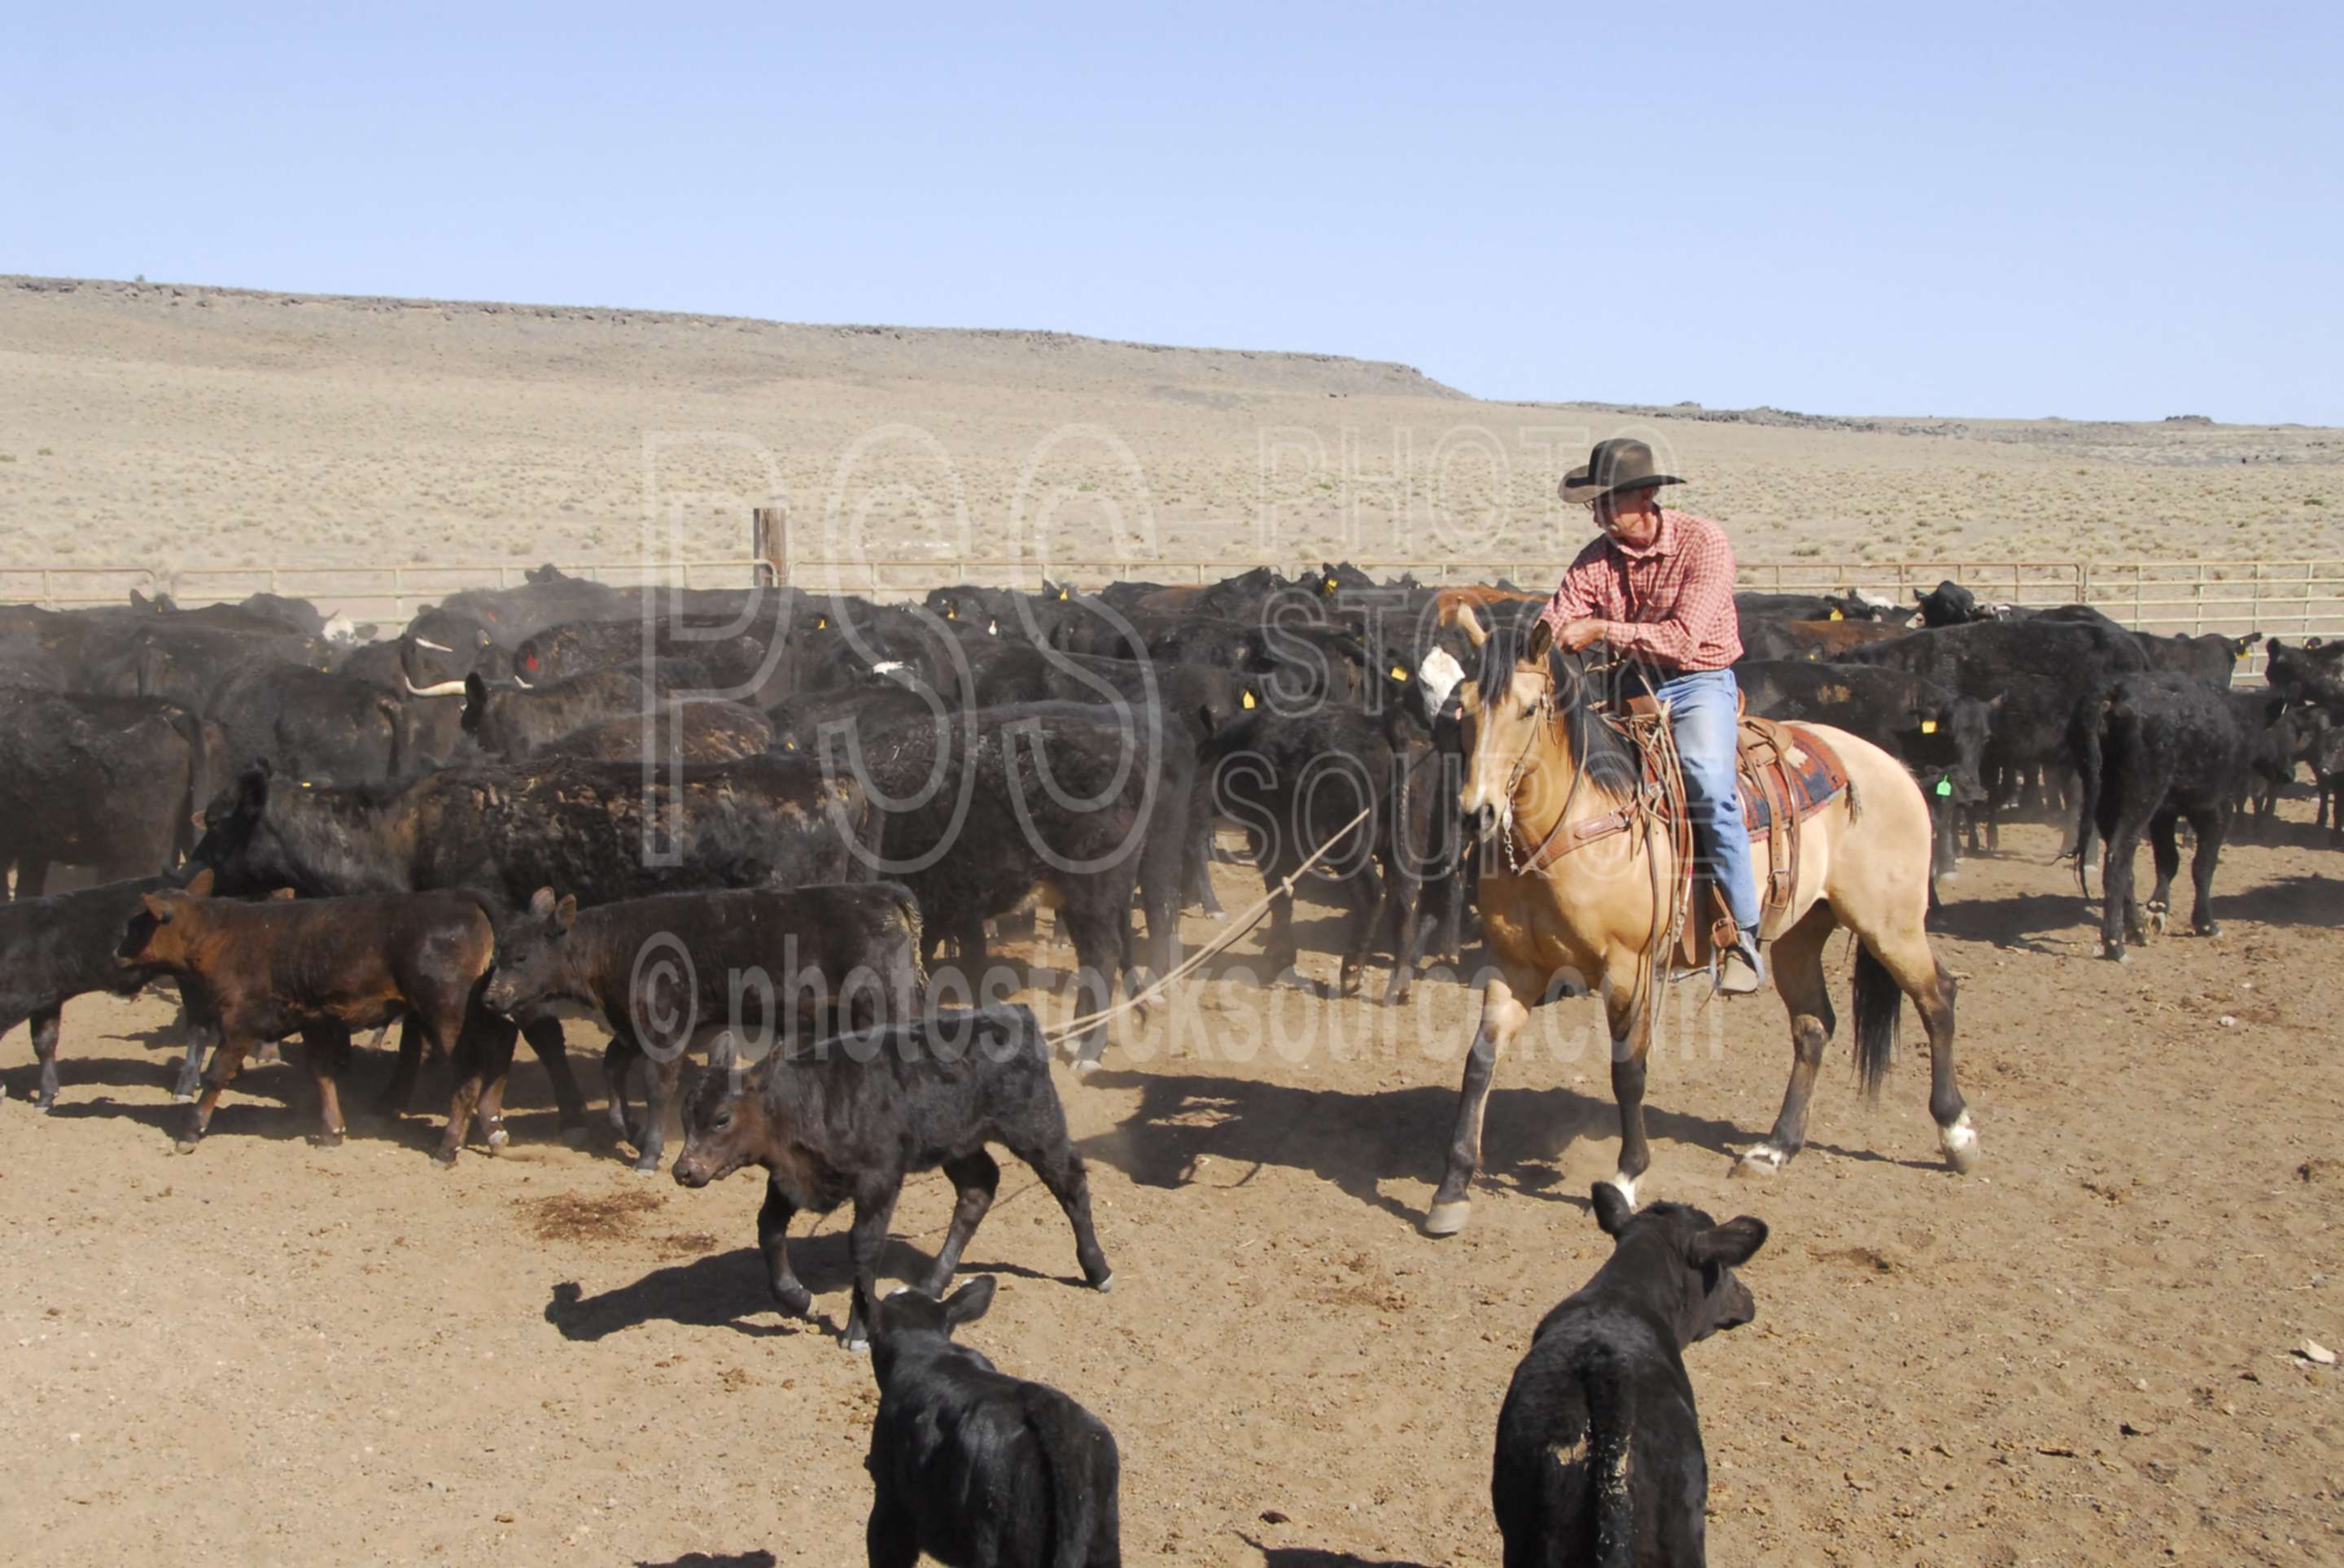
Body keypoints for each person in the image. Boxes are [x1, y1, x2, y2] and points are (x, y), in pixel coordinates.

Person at [1535, 439, 1765, 994]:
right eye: (1594, 506)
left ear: (1645, 497)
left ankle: (1742, 934)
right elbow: (1557, 616)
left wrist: (1601, 629)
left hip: (1697, 682)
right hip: (1628, 684)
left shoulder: (1702, 542)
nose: (1598, 516)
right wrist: (1520, 655)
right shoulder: (1597, 557)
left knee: (1707, 783)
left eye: (1607, 503)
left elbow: (1684, 640)